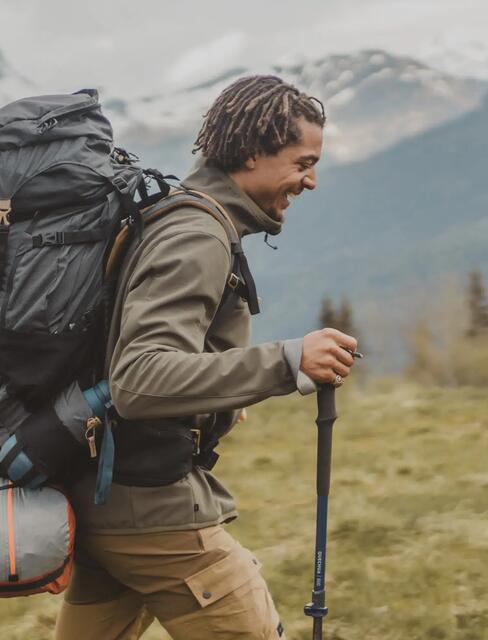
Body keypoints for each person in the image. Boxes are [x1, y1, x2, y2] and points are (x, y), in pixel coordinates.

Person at [54, 75, 358, 640]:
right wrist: (288, 361)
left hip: (108, 498)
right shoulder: (197, 232)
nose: (311, 180)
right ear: (249, 154)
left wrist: (212, 401)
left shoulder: (174, 212)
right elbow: (141, 378)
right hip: (154, 518)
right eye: (302, 162)